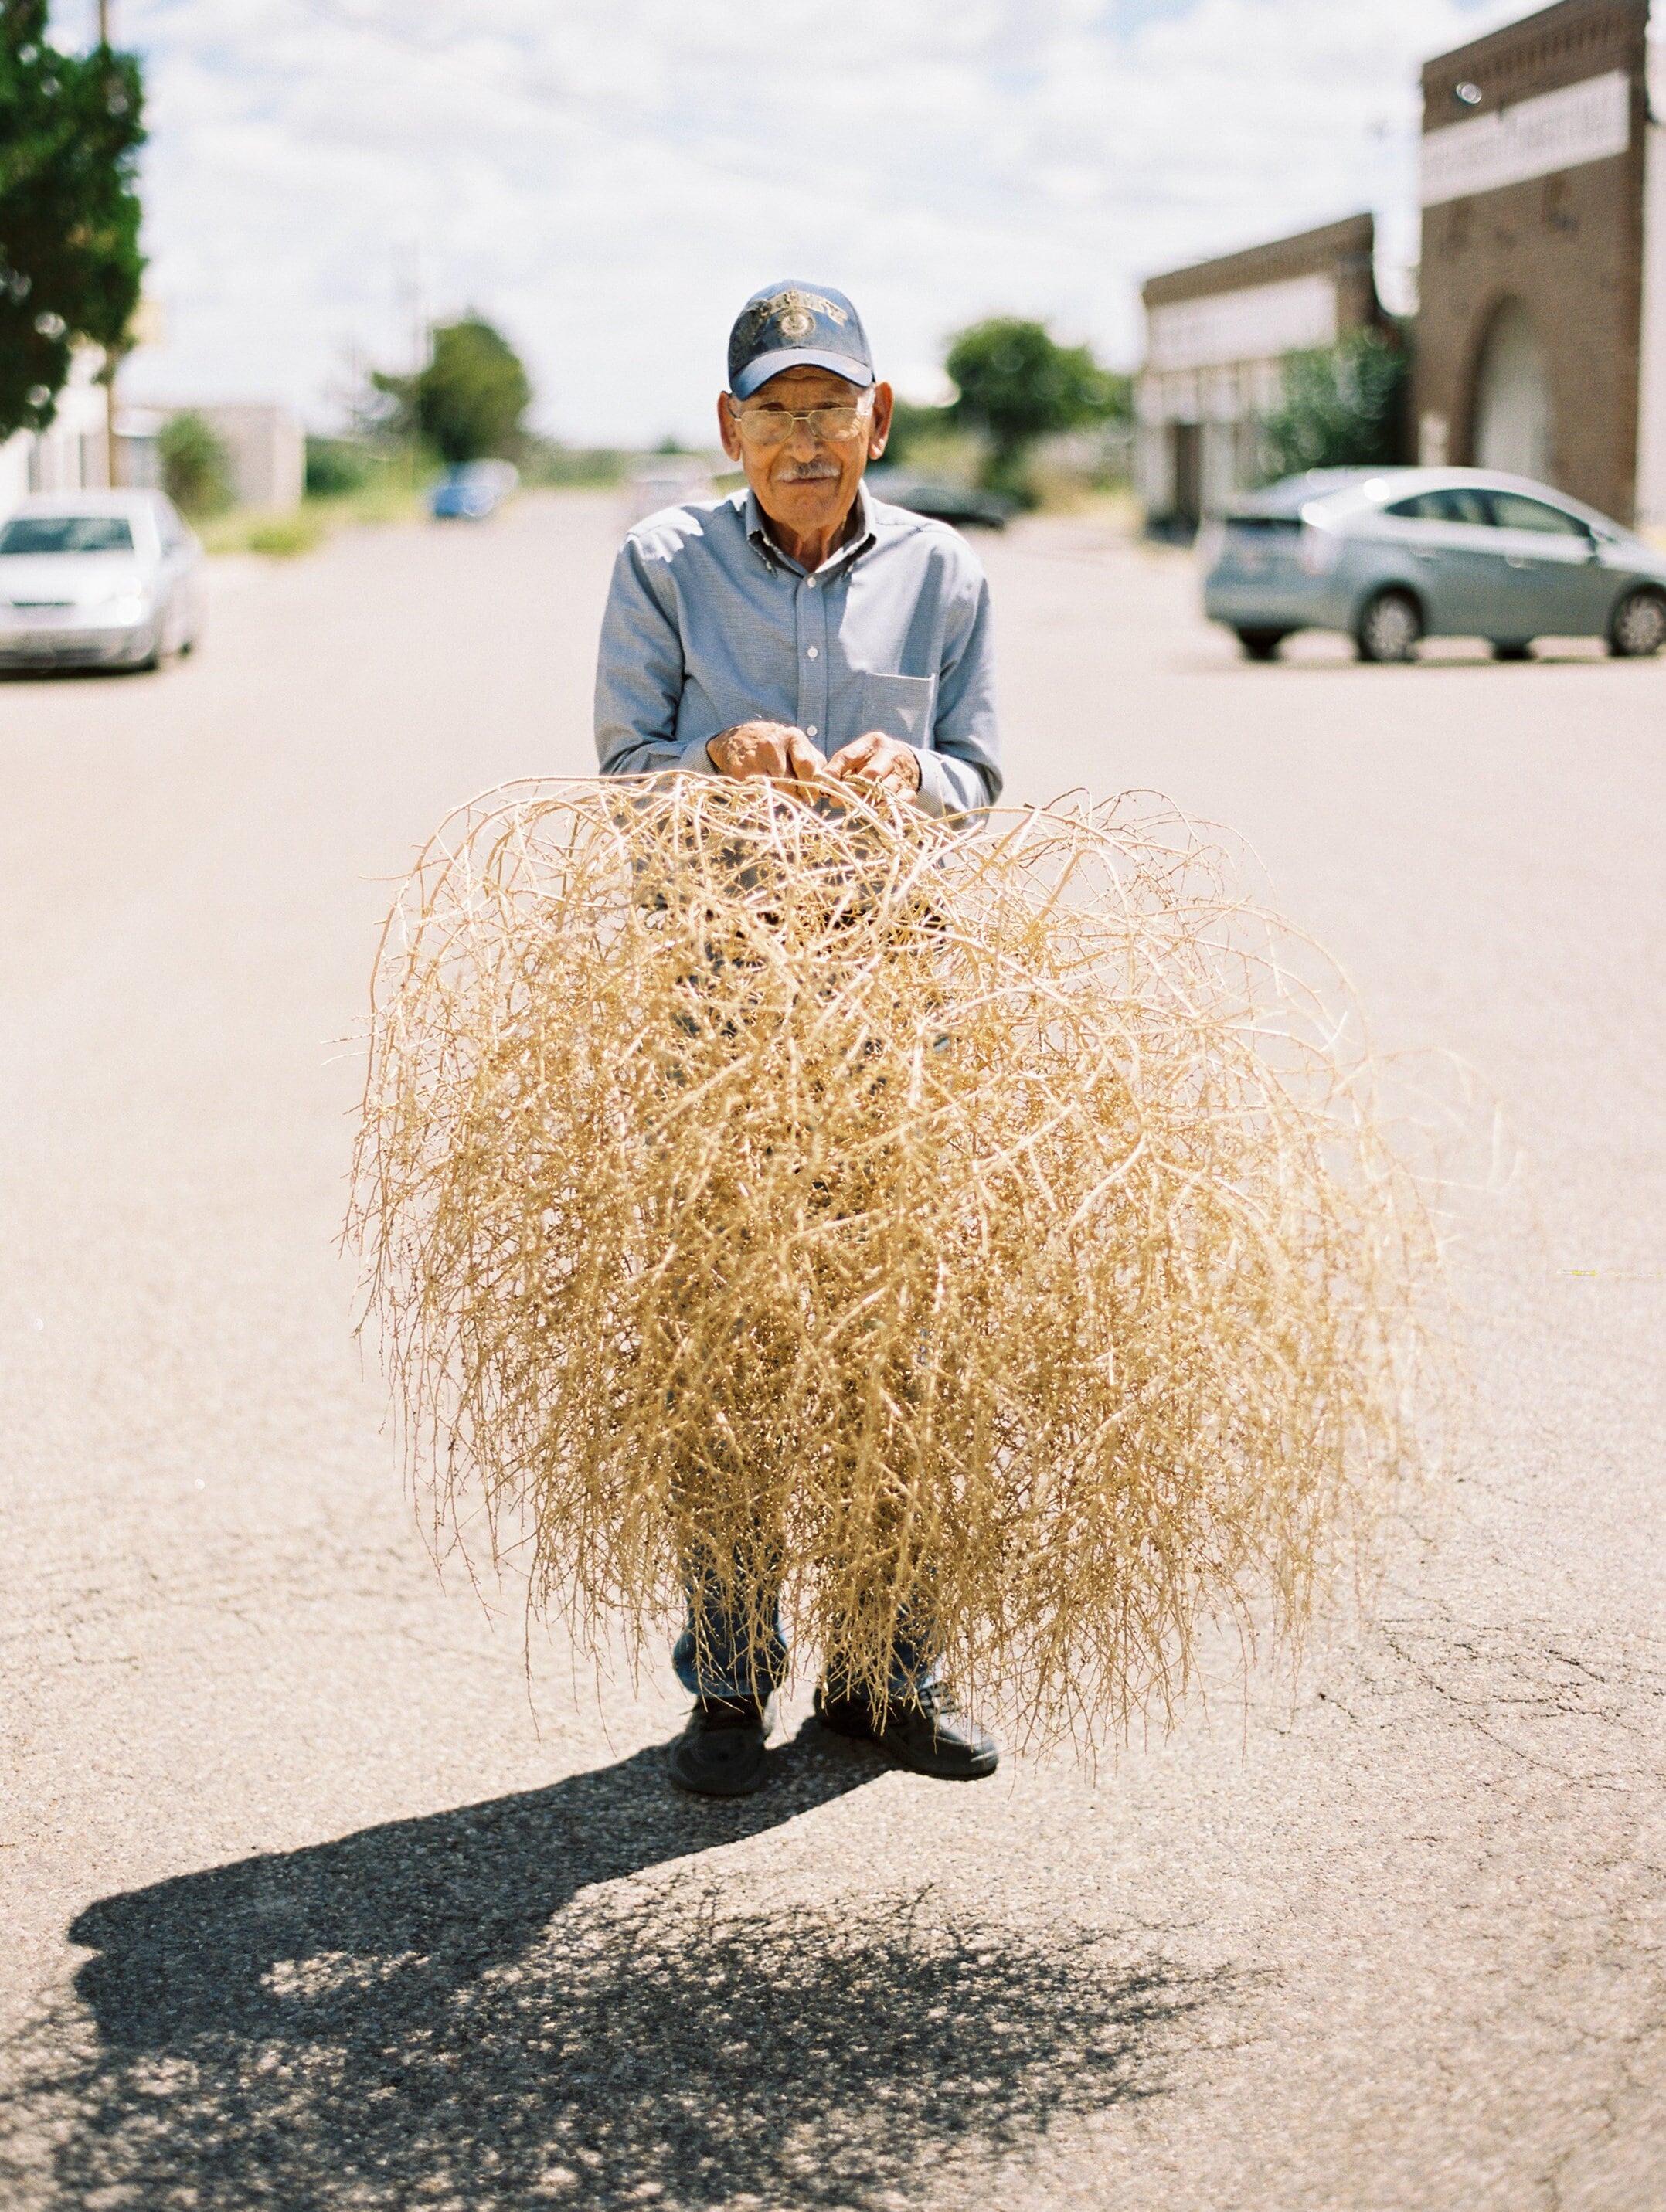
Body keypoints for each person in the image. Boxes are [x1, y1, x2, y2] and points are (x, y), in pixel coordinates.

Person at [594, 279, 1002, 1797]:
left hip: (897, 1035)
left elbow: (984, 772)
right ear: (730, 429)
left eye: (833, 409)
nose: (807, 438)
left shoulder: (945, 575)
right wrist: (714, 757)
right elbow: (624, 777)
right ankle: (731, 1688)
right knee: (730, 1359)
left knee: (901, 1362)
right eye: (776, 412)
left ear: (878, 419)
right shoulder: (662, 564)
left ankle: (886, 1678)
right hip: (722, 1029)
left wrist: (917, 780)